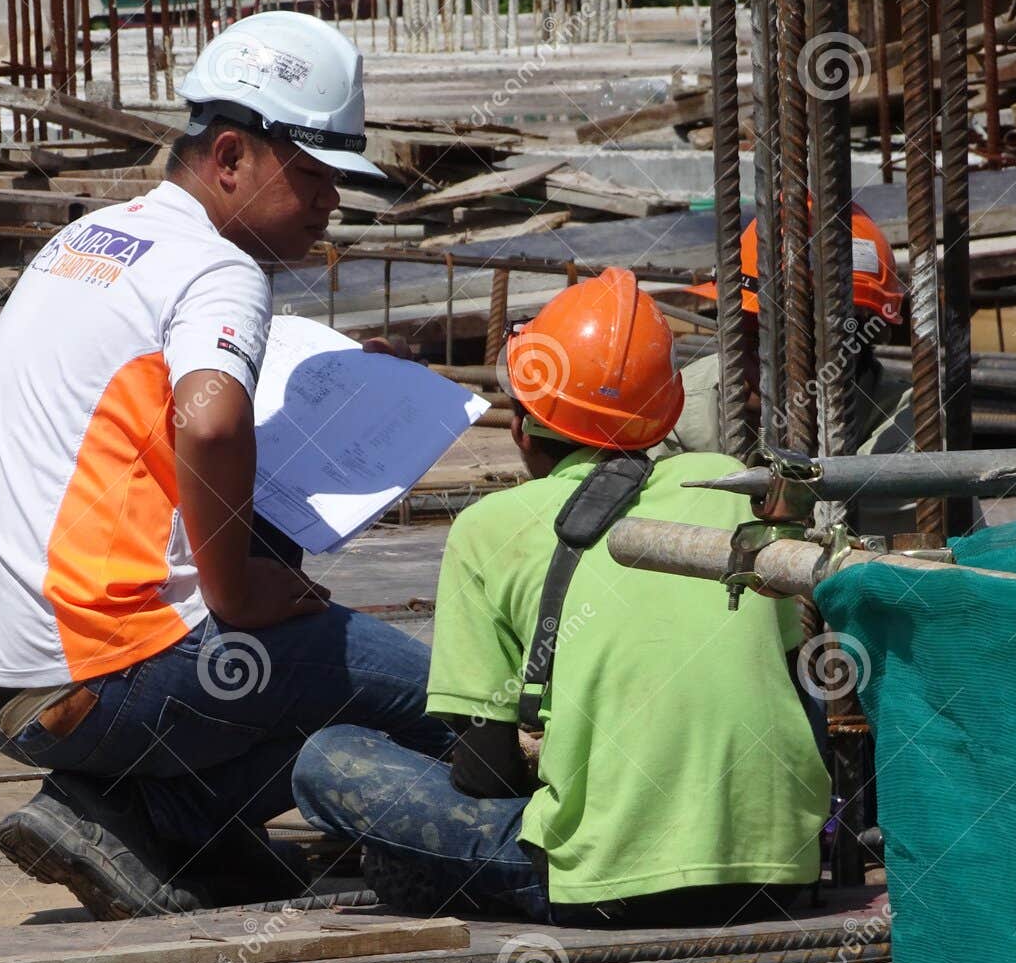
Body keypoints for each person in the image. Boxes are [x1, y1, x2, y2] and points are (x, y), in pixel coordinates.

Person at [0, 11, 453, 919]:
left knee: (296, 620)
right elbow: (209, 426)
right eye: (315, 177)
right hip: (100, 667)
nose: (331, 204)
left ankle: (133, 818)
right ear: (233, 158)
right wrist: (238, 594)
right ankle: (171, 814)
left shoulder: (90, 240)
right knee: (444, 703)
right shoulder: (217, 270)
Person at [291, 268, 829, 925]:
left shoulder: (486, 528)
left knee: (330, 759)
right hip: (779, 873)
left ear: (522, 426)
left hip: (606, 885)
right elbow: (790, 681)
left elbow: (484, 776)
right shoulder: (725, 485)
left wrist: (534, 744)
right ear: (666, 409)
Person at [667, 202, 912, 463]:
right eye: (739, 340)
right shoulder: (679, 406)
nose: (743, 367)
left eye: (769, 348)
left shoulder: (902, 427)